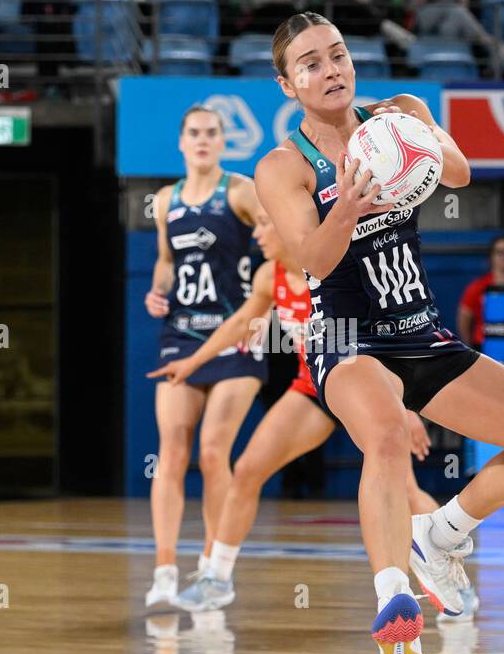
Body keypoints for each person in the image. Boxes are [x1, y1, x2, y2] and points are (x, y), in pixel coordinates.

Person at [255, 12, 504, 654]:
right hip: (346, 337)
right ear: (287, 84)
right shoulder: (283, 167)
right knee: (383, 436)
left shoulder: (397, 114)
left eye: (338, 54)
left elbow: (459, 175)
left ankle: (442, 533)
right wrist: (347, 204)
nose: (331, 70)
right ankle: (391, 594)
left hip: (420, 330)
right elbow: (312, 261)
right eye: (311, 63)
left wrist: (413, 138)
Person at [149, 216, 475, 619]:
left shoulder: (336, 267)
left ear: (289, 229)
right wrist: (193, 362)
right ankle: (216, 578)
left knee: (404, 491)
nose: (258, 234)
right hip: (313, 388)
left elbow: (388, 340)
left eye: (267, 224)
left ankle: (451, 576)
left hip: (365, 383)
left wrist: (405, 409)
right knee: (248, 469)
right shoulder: (271, 276)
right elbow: (239, 323)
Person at [144, 105, 270, 610]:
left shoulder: (239, 191)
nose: (202, 140)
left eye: (211, 133)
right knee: (172, 451)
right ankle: (164, 570)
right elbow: (166, 261)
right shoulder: (164, 200)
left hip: (237, 333)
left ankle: (213, 568)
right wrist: (157, 292)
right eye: (193, 133)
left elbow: (276, 240)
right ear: (181, 142)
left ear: (223, 142)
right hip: (181, 333)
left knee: (214, 452)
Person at [457, 234, 504, 350]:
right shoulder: (477, 287)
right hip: (483, 347)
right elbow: (464, 319)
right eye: (500, 252)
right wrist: (469, 350)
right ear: (491, 257)